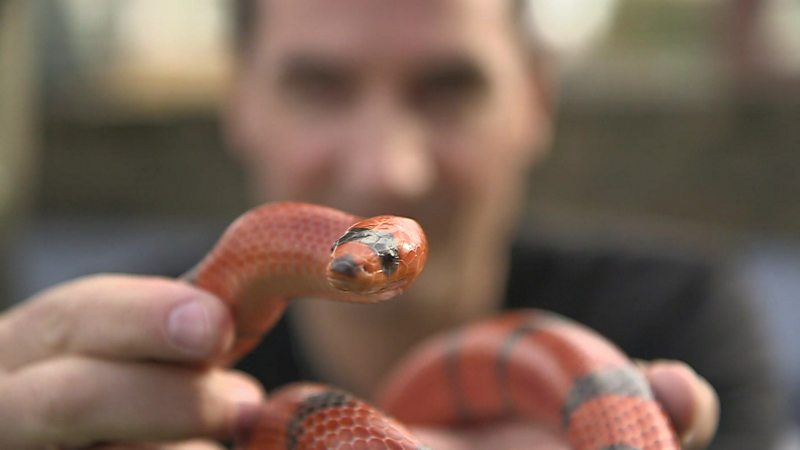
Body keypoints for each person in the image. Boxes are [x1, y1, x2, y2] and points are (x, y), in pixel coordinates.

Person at [0, 0, 786, 449]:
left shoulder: (687, 319)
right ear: (237, 103)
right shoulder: (132, 345)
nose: (388, 168)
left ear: (537, 97)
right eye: (321, 87)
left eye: (448, 87)